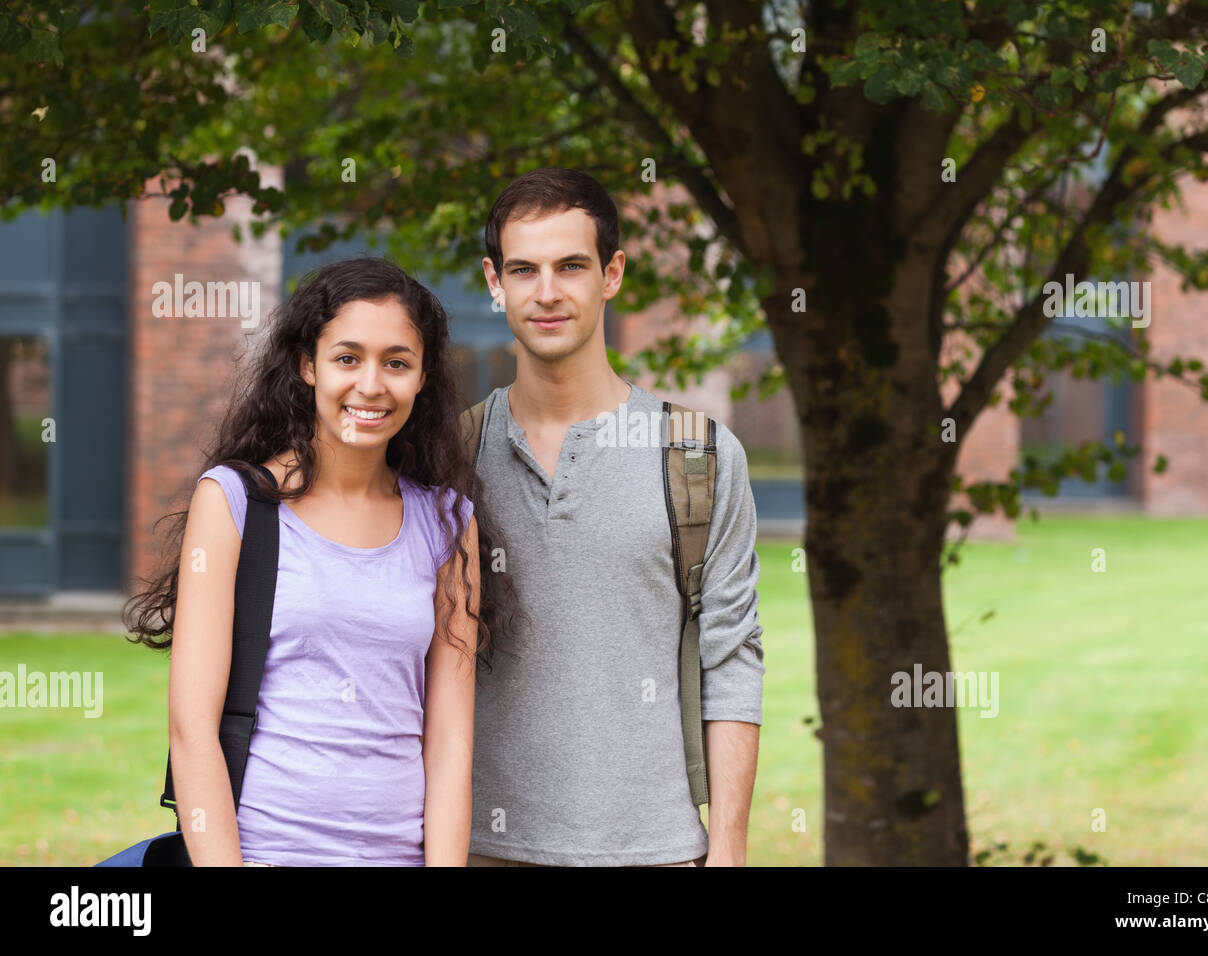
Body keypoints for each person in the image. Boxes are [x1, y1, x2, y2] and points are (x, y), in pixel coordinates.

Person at [124, 256, 522, 866]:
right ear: (308, 365)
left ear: (421, 379)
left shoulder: (449, 523)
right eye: (347, 357)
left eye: (396, 362)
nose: (371, 384)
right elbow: (192, 731)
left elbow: (448, 746)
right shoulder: (234, 503)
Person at [465, 167, 765, 867]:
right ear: (493, 280)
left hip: (656, 851)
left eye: (571, 265)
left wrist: (727, 850)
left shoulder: (698, 455)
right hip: (482, 849)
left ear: (613, 274)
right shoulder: (450, 456)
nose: (547, 292)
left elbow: (732, 658)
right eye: (523, 269)